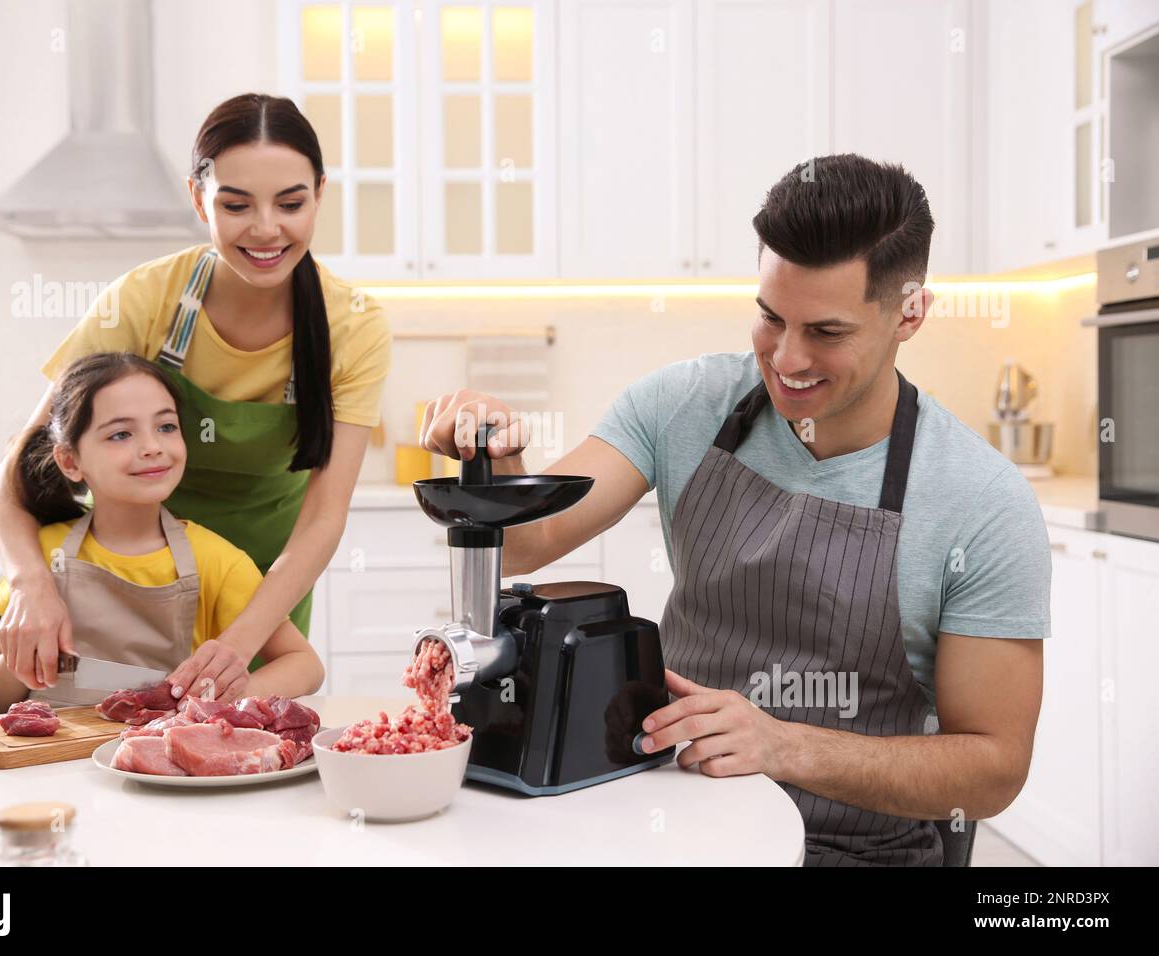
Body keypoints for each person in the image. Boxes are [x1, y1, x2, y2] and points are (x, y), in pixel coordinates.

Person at [419, 154, 1049, 866]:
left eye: (827, 332)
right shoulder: (681, 405)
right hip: (672, 814)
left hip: (853, 848)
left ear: (911, 312)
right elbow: (529, 542)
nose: (786, 357)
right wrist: (492, 457)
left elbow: (993, 769)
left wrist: (785, 744)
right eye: (770, 316)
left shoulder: (981, 501)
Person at [0, 93, 389, 703]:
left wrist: (240, 642)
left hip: (259, 588)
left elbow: (323, 518)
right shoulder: (146, 300)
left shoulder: (352, 327)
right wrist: (30, 582)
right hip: (125, 562)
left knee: (226, 744)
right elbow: (17, 471)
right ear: (199, 199)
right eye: (235, 204)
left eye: (291, 203)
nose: (265, 229)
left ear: (320, 194)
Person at [0, 352, 324, 713]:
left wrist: (234, 694)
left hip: (160, 764)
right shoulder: (44, 554)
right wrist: (27, 657)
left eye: (166, 427)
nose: (153, 447)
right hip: (47, 763)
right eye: (121, 434)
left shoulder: (217, 561)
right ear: (70, 461)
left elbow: (306, 665)